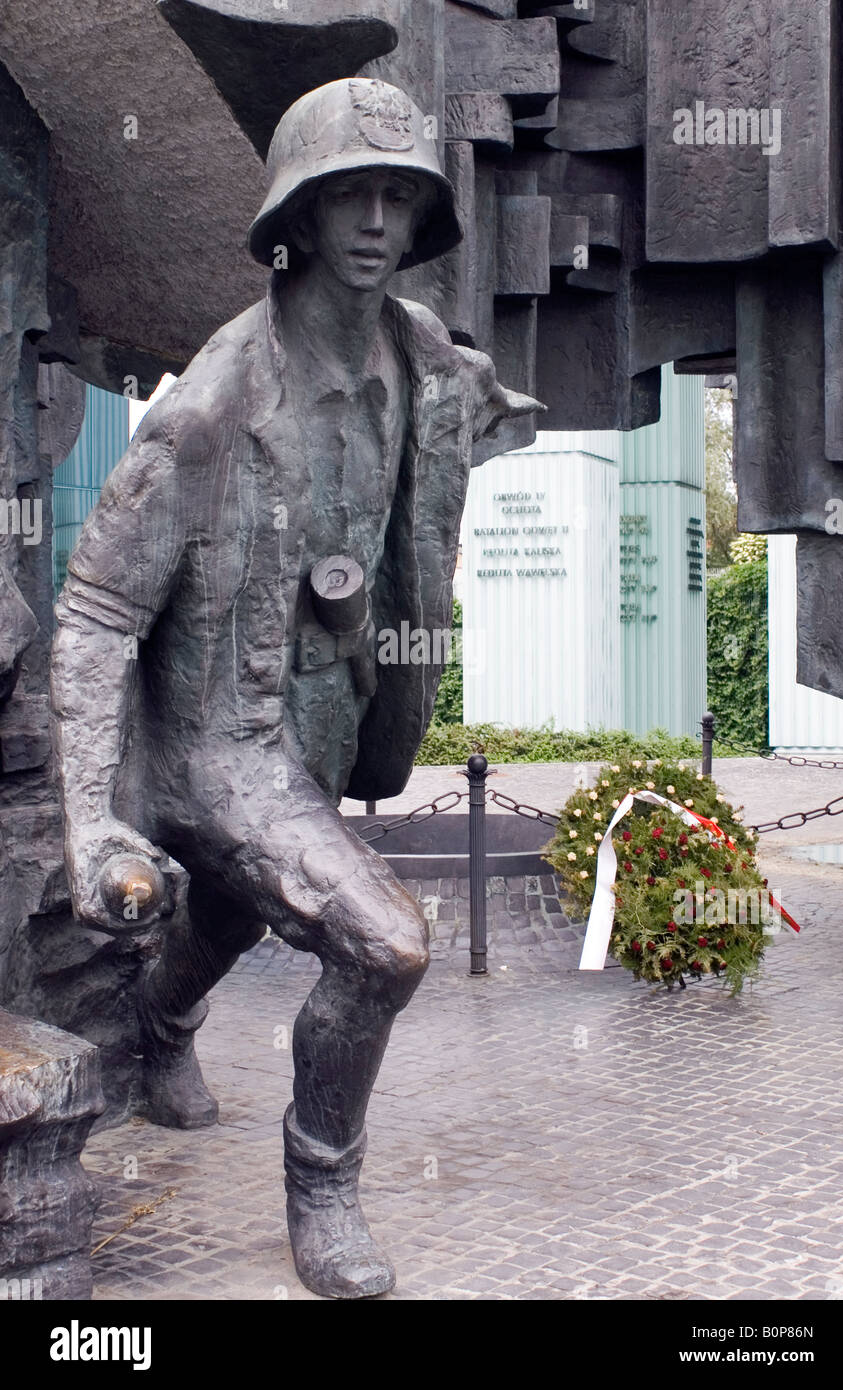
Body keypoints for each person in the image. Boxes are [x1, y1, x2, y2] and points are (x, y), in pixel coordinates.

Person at [50, 76, 540, 1299]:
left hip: (334, 710)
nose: (376, 221)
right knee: (383, 945)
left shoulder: (419, 352)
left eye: (398, 198)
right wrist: (88, 815)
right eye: (349, 196)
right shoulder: (209, 410)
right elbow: (97, 610)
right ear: (299, 216)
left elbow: (478, 403)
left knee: (232, 904)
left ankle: (159, 1031)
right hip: (217, 738)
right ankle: (324, 1185)